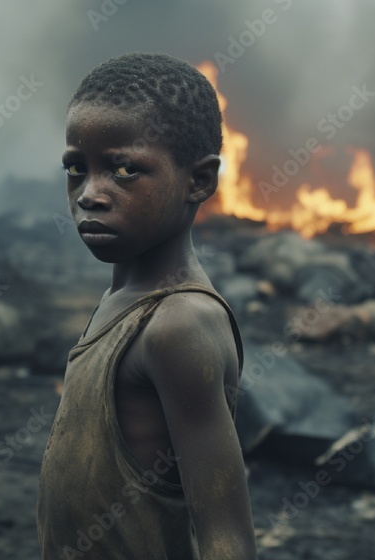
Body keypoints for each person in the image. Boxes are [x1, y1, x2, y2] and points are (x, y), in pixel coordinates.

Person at [37, 53, 257, 559]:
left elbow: (227, 534)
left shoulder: (179, 324)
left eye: (124, 170)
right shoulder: (121, 299)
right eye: (76, 168)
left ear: (199, 181)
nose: (90, 194)